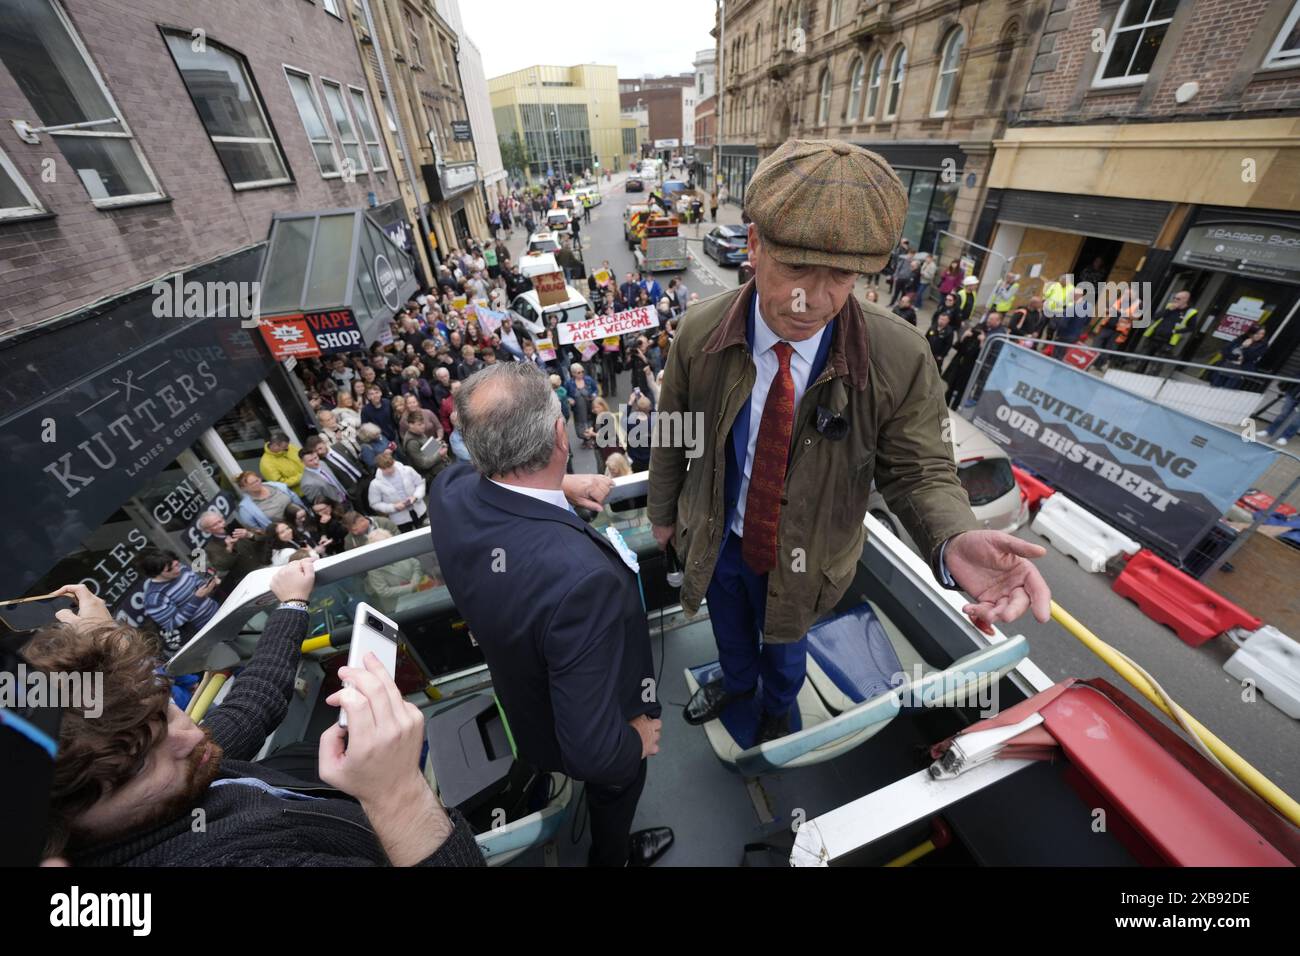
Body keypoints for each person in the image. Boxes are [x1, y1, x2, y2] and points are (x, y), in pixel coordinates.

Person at [647, 139, 1051, 745]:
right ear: (753, 245)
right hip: (719, 540)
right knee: (729, 631)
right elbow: (673, 429)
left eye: (840, 275)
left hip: (809, 564)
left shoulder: (902, 355)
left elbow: (920, 471)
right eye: (795, 268)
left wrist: (954, 536)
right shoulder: (701, 330)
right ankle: (734, 684)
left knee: (786, 652)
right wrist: (662, 513)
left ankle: (778, 715)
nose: (813, 299)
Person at [25, 560, 484, 866]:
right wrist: (398, 795)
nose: (192, 738)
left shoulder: (173, 768)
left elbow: (252, 702)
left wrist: (291, 605)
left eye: (165, 709)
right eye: (142, 761)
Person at [428, 363, 673, 867]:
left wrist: (558, 487)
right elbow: (592, 752)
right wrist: (633, 742)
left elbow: (474, 484)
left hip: (524, 702)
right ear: (561, 435)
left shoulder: (448, 497)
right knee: (616, 788)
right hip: (601, 721)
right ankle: (611, 859)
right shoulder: (580, 582)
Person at [138, 549, 221, 653]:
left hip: (219, 611)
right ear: (155, 574)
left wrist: (211, 584)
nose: (176, 569)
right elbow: (171, 624)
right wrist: (197, 599)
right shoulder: (154, 598)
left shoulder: (182, 569)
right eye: (169, 569)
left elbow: (198, 584)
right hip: (205, 631)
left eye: (176, 564)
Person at [197, 511, 265, 587]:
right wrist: (229, 549)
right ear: (208, 530)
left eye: (220, 521)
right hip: (249, 578)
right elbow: (222, 567)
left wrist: (250, 535)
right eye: (215, 525)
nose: (221, 525)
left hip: (266, 563)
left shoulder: (237, 526)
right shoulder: (211, 548)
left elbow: (265, 537)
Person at [368, 451, 428, 532]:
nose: (389, 470)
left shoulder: (407, 470)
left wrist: (416, 497)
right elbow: (374, 504)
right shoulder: (375, 484)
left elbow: (420, 484)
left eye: (390, 466)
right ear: (379, 468)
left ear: (393, 462)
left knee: (427, 531)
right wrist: (393, 507)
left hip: (419, 510)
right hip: (399, 518)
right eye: (384, 468)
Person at [236, 471, 305, 531]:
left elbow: (296, 500)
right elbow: (256, 530)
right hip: (284, 533)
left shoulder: (277, 486)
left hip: (303, 521)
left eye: (257, 480)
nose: (256, 484)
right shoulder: (246, 509)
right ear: (244, 488)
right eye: (252, 484)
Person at [402, 412, 451, 481]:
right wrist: (440, 454)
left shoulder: (419, 432)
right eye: (419, 424)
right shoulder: (412, 443)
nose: (423, 426)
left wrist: (438, 444)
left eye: (423, 423)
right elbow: (423, 464)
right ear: (411, 425)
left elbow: (426, 451)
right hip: (432, 476)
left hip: (439, 469)